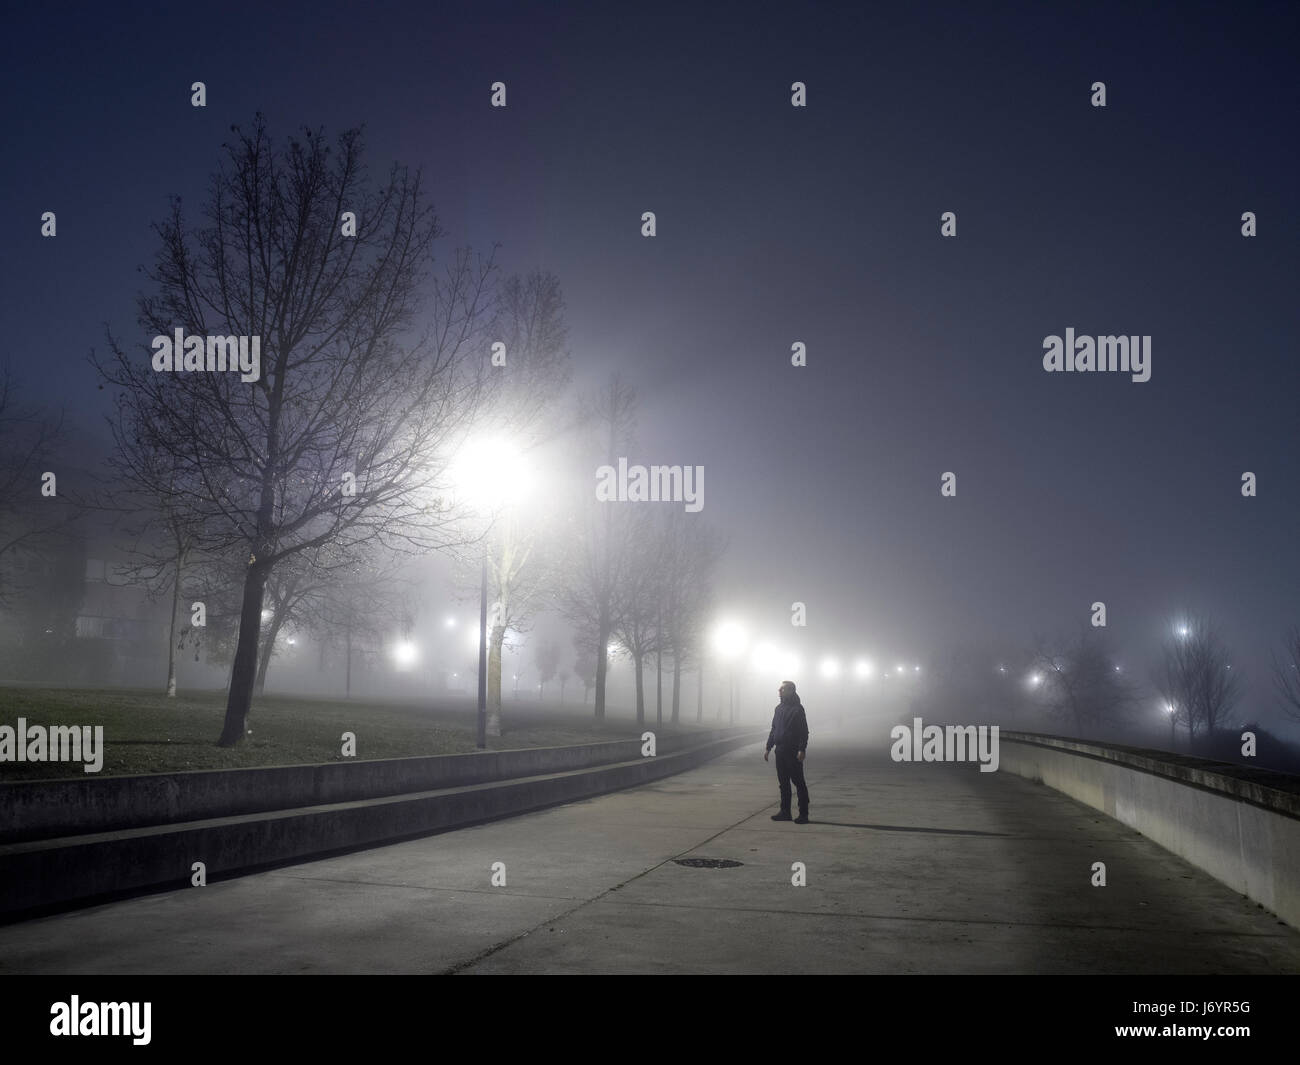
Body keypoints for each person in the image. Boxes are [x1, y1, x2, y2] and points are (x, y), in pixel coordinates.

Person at [764, 680, 810, 823]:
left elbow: (804, 731)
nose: (779, 690)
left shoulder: (798, 709)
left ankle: (803, 814)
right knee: (783, 783)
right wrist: (768, 747)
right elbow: (774, 729)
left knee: (798, 782)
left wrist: (802, 749)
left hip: (792, 751)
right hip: (780, 750)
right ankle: (785, 812)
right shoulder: (778, 709)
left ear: (790, 690)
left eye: (782, 689)